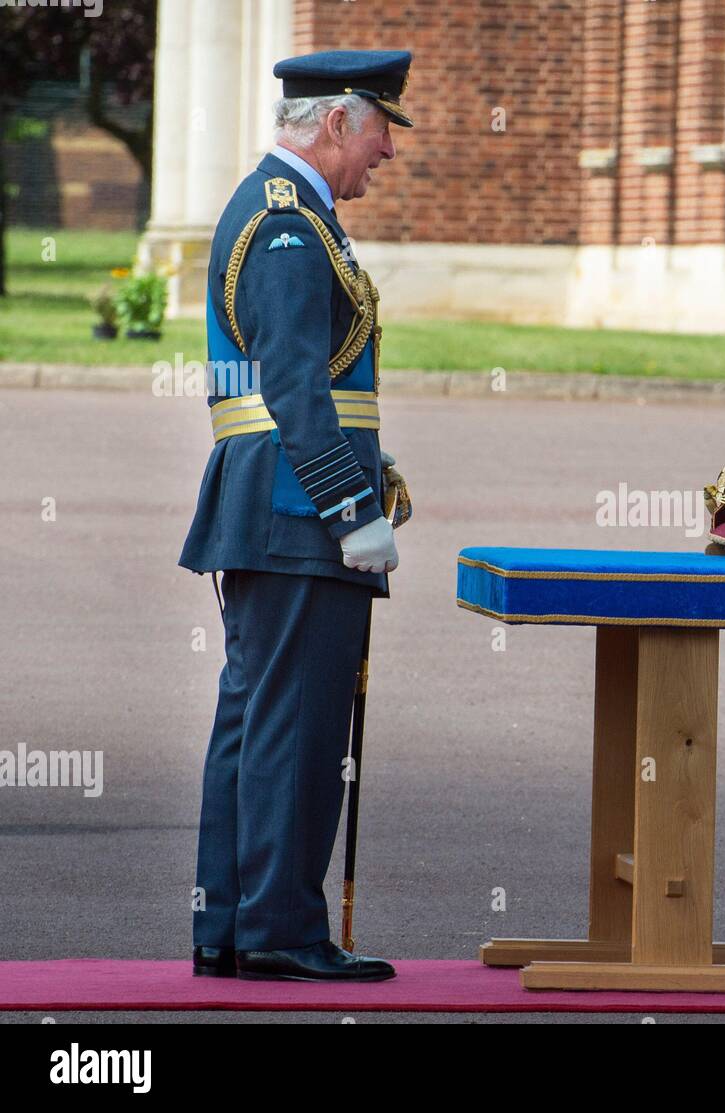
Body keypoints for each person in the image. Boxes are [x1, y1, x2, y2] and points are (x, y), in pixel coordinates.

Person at [179, 50, 415, 982]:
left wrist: (371, 461)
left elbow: (316, 378)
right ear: (334, 124)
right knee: (296, 722)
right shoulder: (287, 223)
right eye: (380, 129)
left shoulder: (295, 213)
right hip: (295, 504)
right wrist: (352, 505)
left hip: (283, 493)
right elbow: (288, 381)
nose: (386, 152)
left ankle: (233, 922)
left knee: (259, 714)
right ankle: (278, 926)